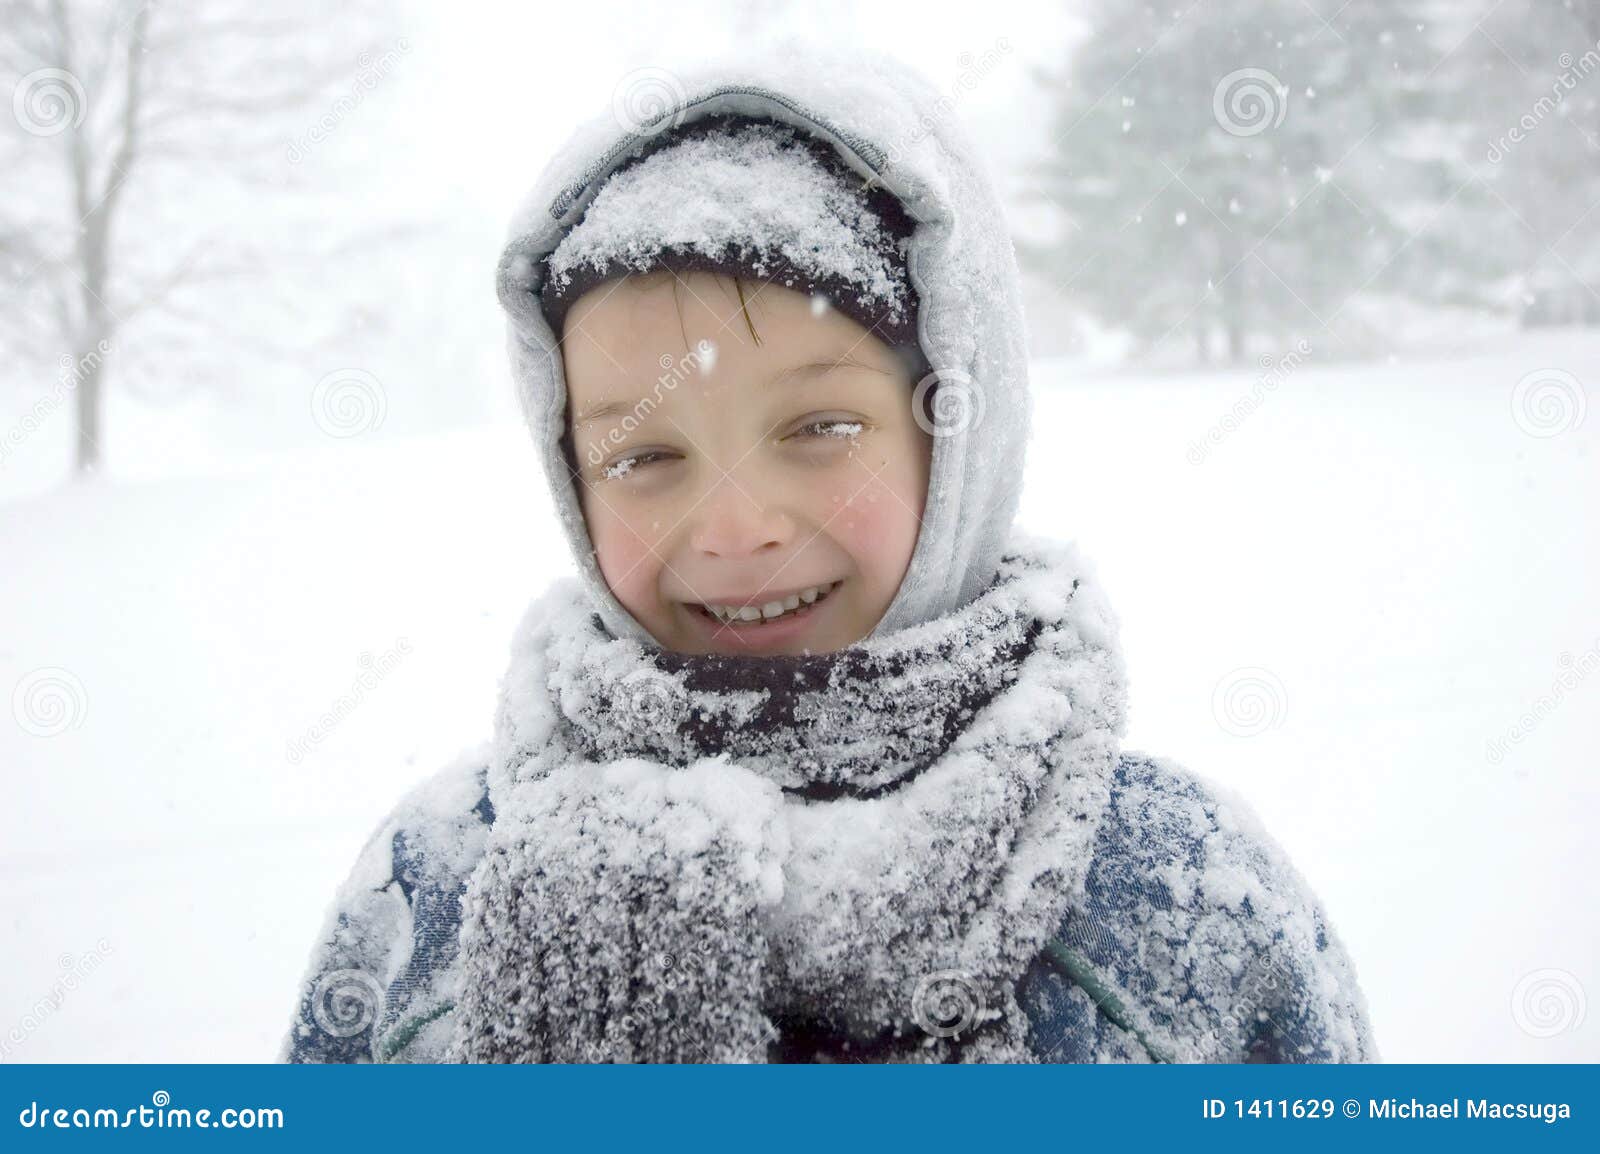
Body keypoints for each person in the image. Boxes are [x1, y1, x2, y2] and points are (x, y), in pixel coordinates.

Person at [278, 43, 1377, 1064]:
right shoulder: (434, 892)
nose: (731, 526)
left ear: (956, 435)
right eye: (644, 453)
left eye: (818, 430)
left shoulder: (1181, 902)